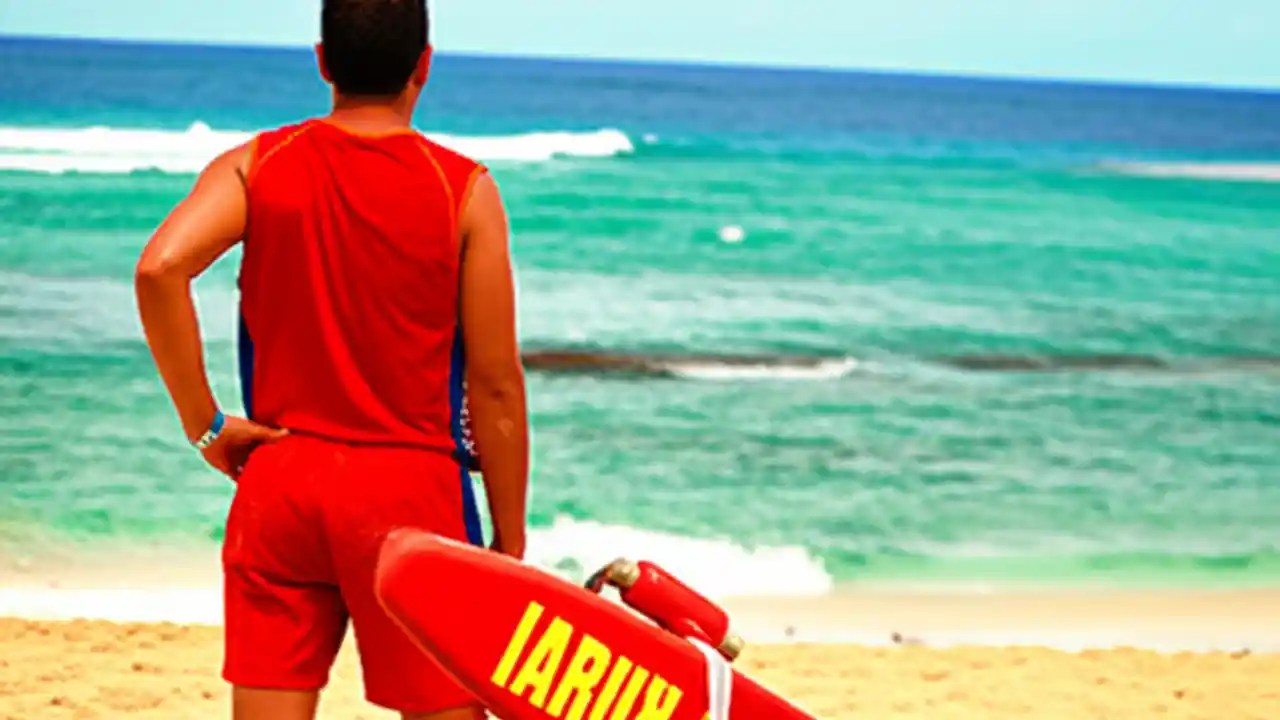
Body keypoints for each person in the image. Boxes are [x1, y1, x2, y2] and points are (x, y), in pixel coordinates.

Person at [133, 1, 530, 718]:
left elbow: (160, 269)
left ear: (322, 61)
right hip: (415, 503)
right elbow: (495, 385)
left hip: (280, 483)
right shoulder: (464, 190)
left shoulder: (258, 165)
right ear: (425, 65)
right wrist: (508, 535)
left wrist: (207, 425)